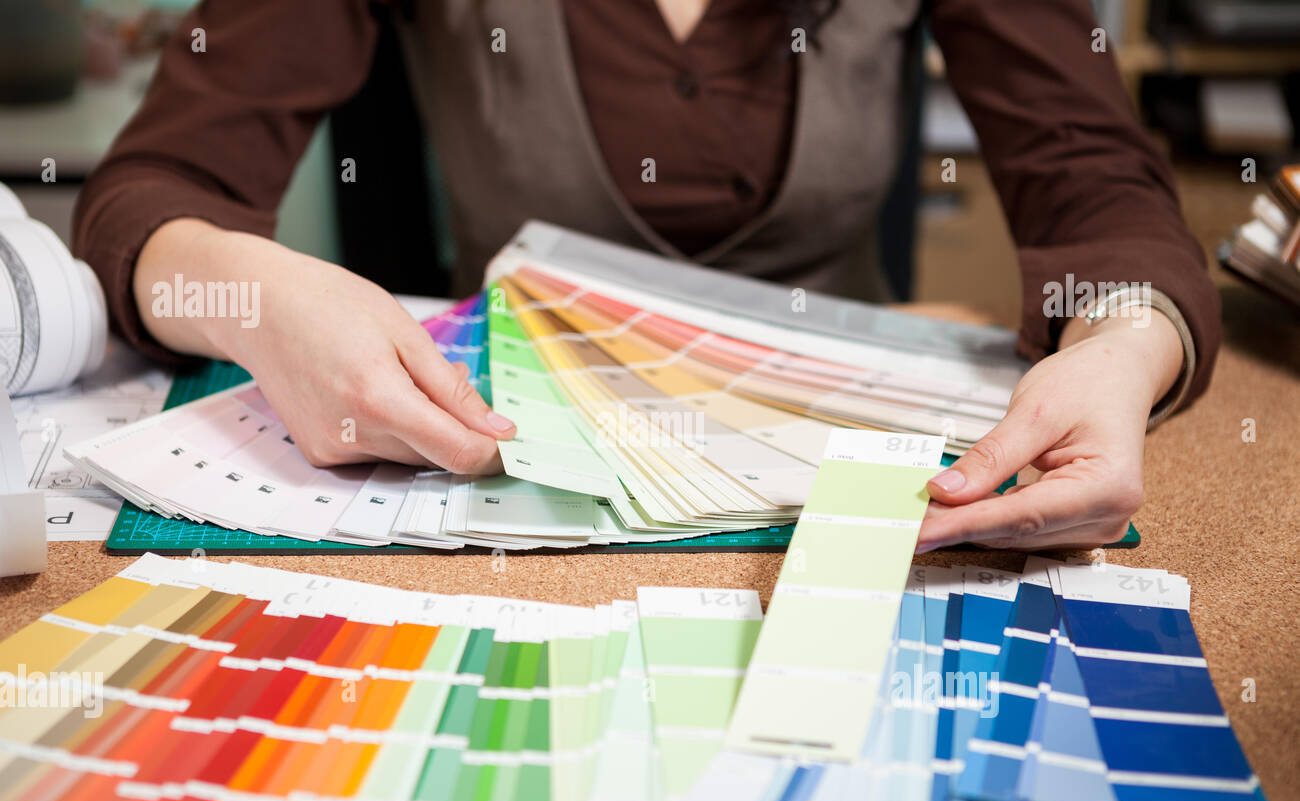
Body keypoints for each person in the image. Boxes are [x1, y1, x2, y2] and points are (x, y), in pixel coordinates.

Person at [73, 0, 1220, 552]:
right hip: (510, 500)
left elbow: (1096, 177)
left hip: (873, 501)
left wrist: (1122, 343)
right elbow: (152, 191)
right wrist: (255, 290)